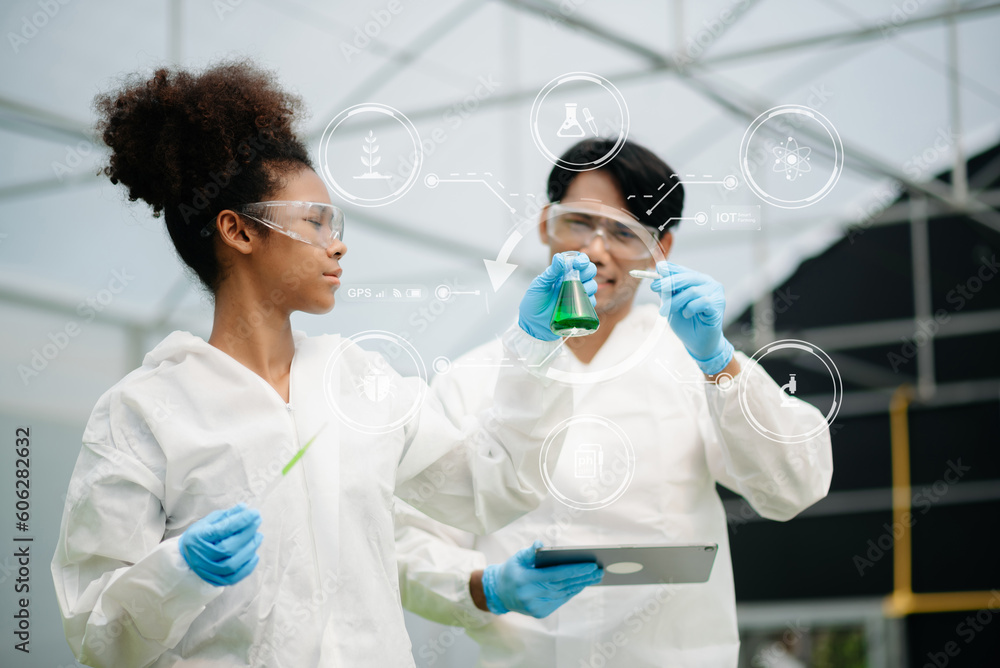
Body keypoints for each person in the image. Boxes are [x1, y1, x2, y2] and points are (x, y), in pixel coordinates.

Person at [49, 60, 602, 667]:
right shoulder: (145, 411)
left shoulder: (359, 382)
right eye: (315, 222)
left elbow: (490, 486)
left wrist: (535, 346)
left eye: (334, 223)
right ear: (238, 231)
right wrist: (176, 574)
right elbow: (97, 636)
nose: (337, 243)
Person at [394, 138, 834, 667]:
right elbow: (405, 539)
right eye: (579, 223)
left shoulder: (693, 363)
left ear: (661, 249)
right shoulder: (471, 378)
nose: (596, 251)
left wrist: (720, 364)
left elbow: (793, 487)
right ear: (545, 225)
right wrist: (484, 586)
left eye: (626, 233)